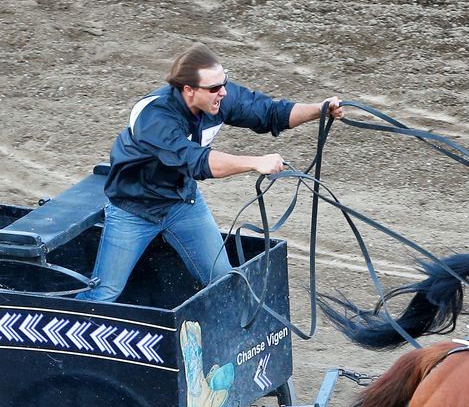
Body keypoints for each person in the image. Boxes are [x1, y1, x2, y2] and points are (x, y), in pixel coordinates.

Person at [77, 43, 345, 302]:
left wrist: (319, 110)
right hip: (134, 209)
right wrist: (254, 162)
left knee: (222, 279)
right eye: (215, 87)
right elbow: (196, 162)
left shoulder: (218, 98)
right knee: (104, 293)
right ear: (189, 90)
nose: (224, 92)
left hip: (182, 202)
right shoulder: (153, 117)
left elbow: (271, 113)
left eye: (224, 83)